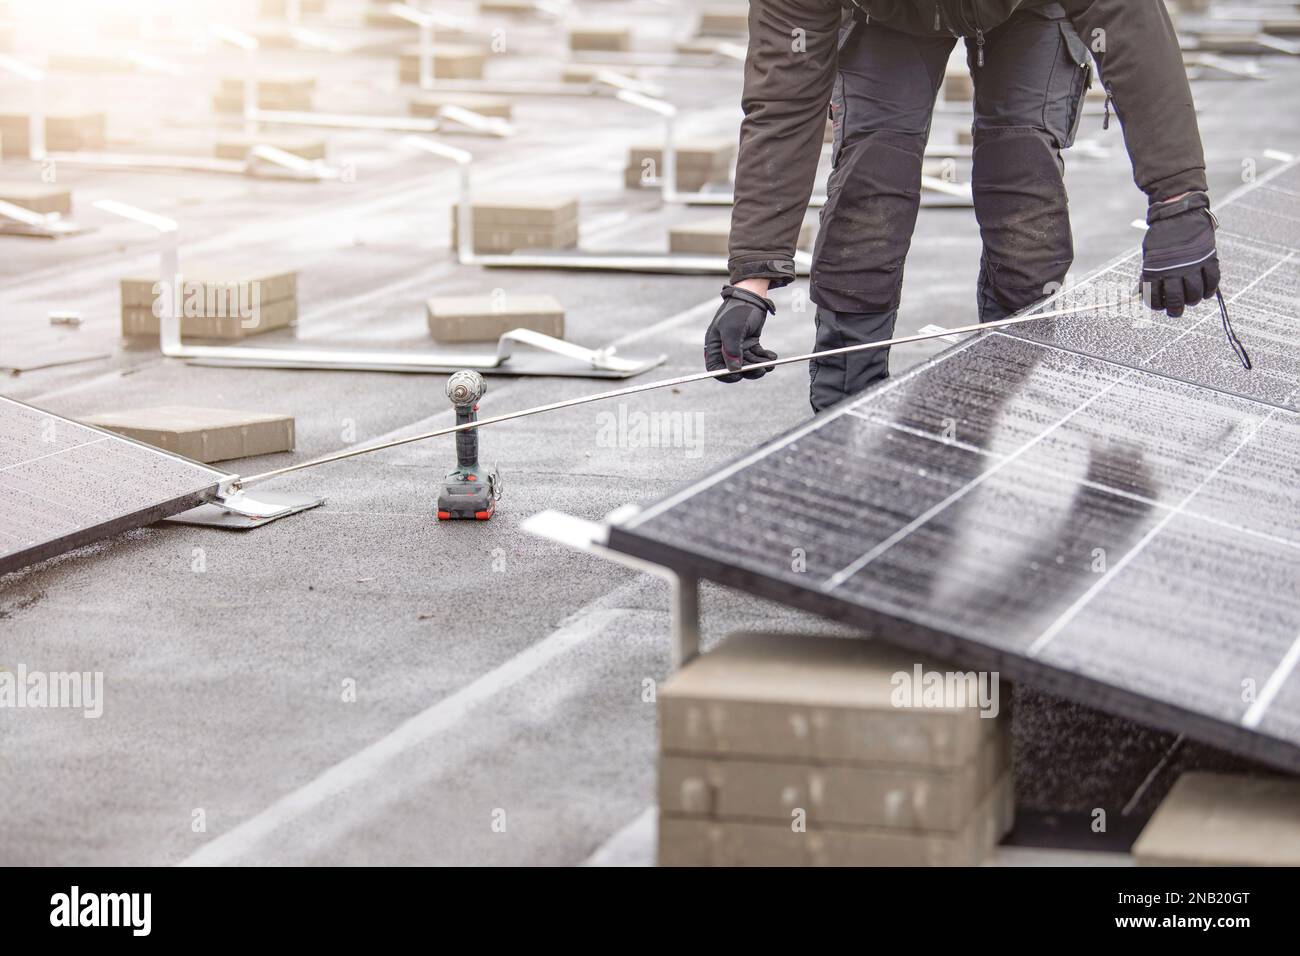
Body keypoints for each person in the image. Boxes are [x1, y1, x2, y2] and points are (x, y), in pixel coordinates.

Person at [704, 0, 1222, 411]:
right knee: (873, 181)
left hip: (1027, 9)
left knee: (1022, 182)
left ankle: (1012, 398)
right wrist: (752, 278)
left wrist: (1177, 200)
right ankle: (845, 408)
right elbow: (784, 101)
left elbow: (1130, 24)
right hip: (887, 15)